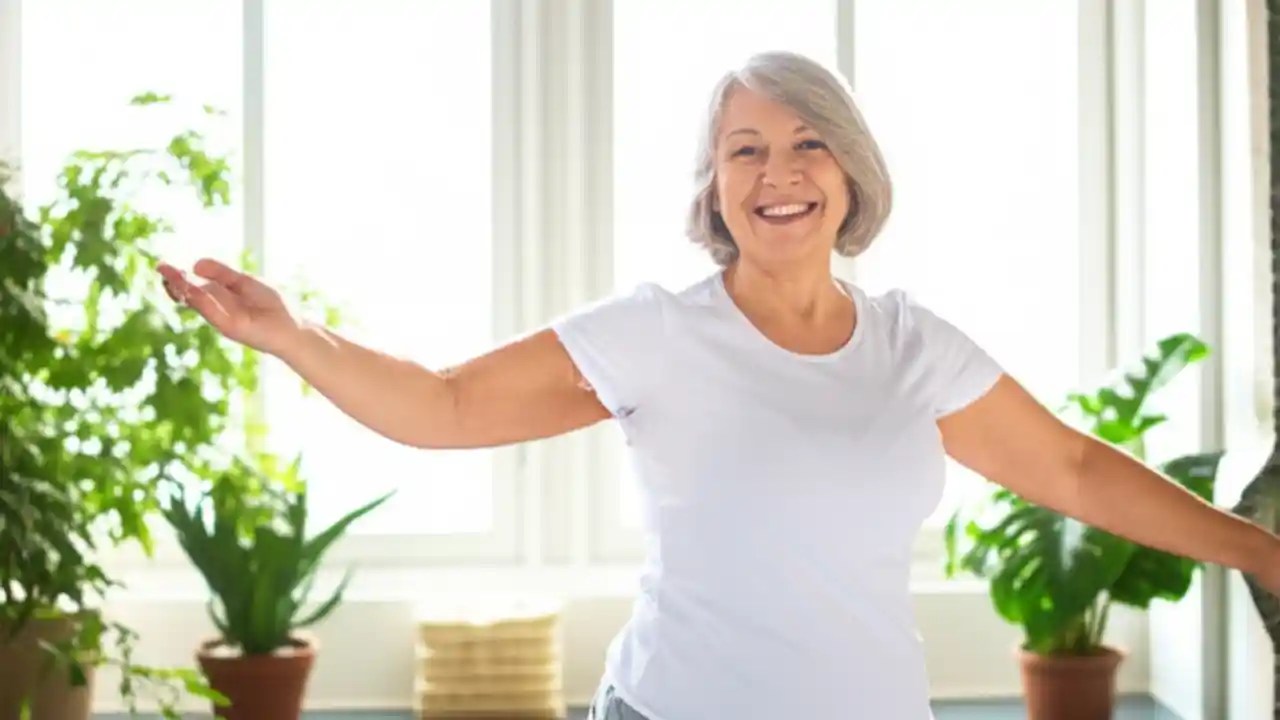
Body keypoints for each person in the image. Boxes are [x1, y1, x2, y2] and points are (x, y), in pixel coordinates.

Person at [158, 51, 1280, 720]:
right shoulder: (655, 332)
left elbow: (1075, 468)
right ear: (713, 183)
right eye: (743, 149)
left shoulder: (912, 347)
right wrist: (296, 335)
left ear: (850, 171)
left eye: (806, 145)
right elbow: (445, 403)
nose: (777, 173)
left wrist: (1262, 551)